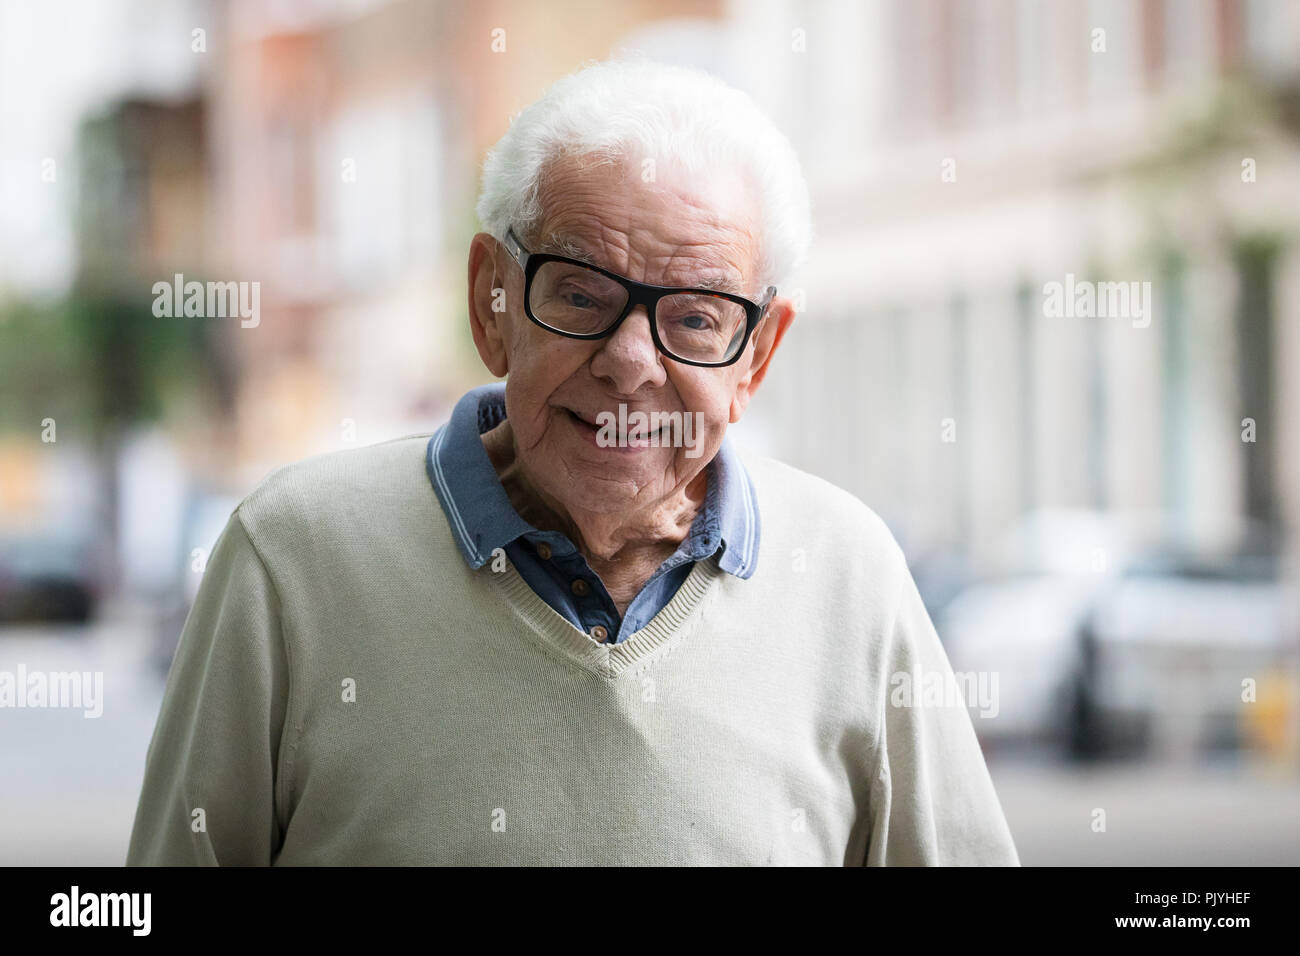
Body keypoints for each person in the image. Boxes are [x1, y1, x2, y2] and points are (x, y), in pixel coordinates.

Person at [127, 57, 1019, 866]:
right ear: (493, 304)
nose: (632, 361)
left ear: (757, 356)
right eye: (582, 294)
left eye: (697, 318)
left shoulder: (849, 575)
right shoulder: (291, 559)